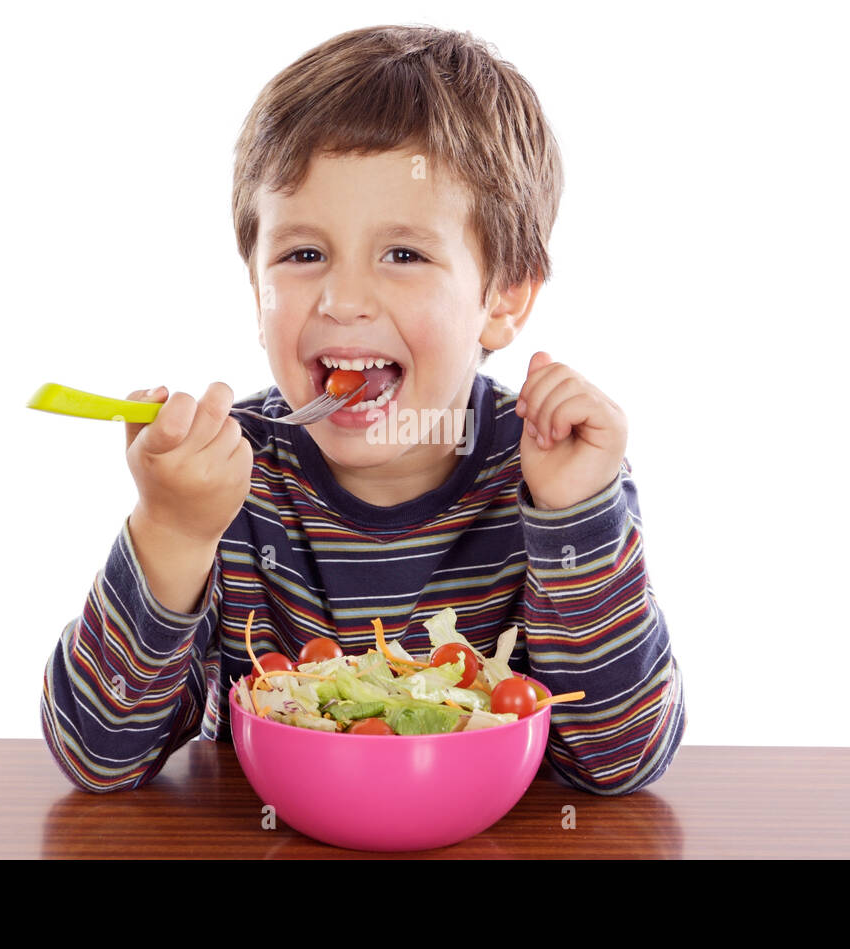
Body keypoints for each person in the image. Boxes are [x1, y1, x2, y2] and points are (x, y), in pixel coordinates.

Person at [41, 24, 686, 796]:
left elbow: (621, 761)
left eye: (404, 254)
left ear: (505, 297)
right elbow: (97, 757)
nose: (344, 301)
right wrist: (172, 531)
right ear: (257, 292)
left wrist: (574, 513)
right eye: (303, 254)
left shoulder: (555, 468)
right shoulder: (223, 481)